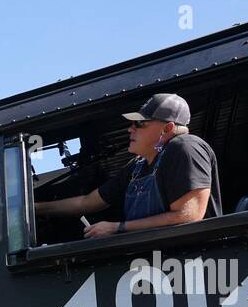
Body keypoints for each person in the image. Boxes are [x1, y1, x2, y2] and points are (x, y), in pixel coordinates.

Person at [35, 93, 222, 238]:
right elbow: (87, 202)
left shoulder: (185, 147)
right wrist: (35, 209)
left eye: (139, 123)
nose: (130, 129)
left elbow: (188, 215)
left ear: (168, 129)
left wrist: (117, 228)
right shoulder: (136, 167)